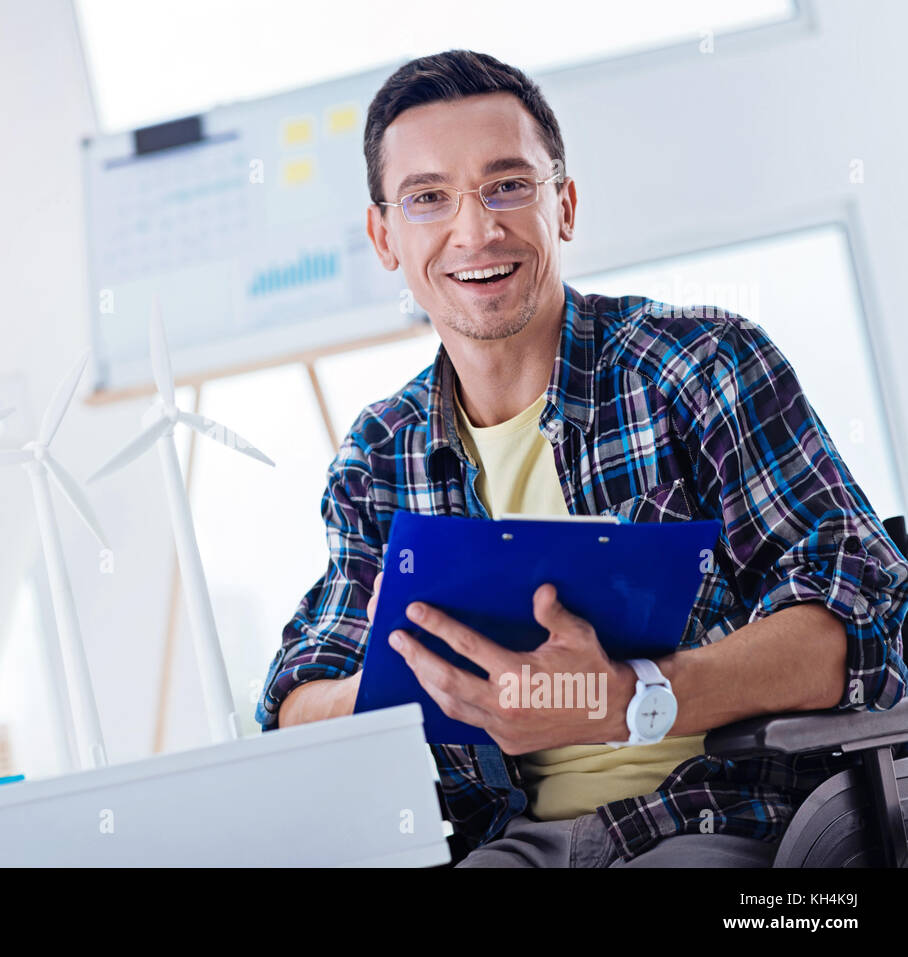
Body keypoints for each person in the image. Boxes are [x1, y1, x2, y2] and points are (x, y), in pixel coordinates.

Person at [254, 49, 908, 867]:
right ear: (385, 235)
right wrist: (404, 678)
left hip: (714, 820)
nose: (475, 229)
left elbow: (864, 627)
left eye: (507, 185)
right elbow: (292, 702)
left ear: (563, 204)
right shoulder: (379, 457)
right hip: (508, 842)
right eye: (428, 198)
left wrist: (630, 699)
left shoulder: (702, 364)